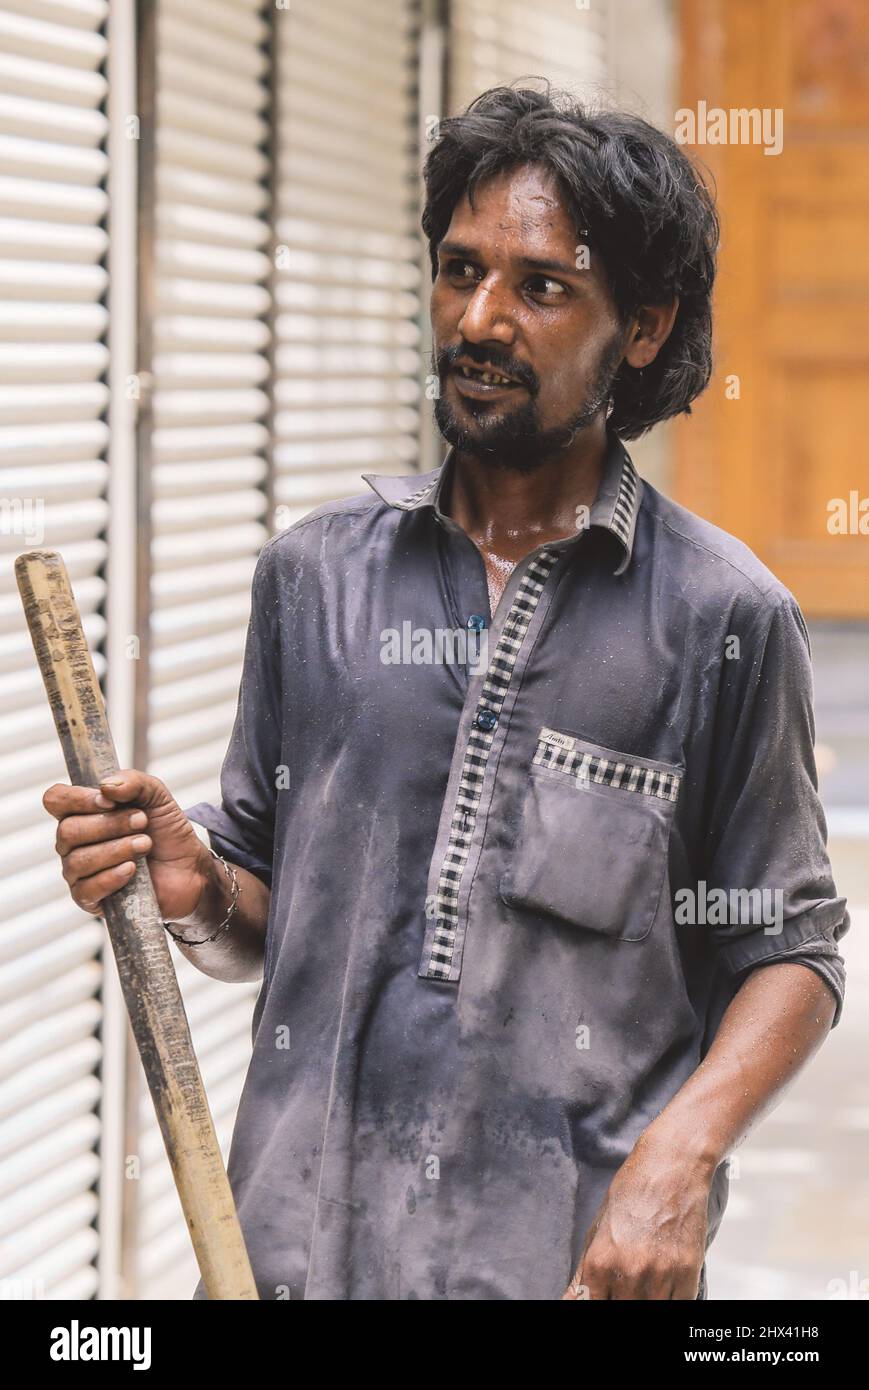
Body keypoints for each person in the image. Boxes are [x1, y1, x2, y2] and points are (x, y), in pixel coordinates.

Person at [44, 85, 848, 1301]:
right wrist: (196, 886)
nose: (478, 319)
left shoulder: (721, 618)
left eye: (541, 286)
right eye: (459, 270)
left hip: (561, 1270)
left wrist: (676, 1163)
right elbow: (260, 907)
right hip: (289, 1261)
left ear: (640, 327)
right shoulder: (312, 578)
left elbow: (789, 951)